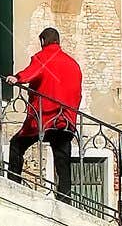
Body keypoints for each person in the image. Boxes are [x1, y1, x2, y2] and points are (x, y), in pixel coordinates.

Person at [6, 27, 82, 202]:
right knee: (62, 158)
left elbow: (31, 72)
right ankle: (65, 198)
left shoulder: (43, 58)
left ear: (43, 41)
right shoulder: (73, 64)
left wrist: (17, 78)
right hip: (66, 120)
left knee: (16, 145)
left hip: (44, 118)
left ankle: (13, 186)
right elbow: (78, 93)